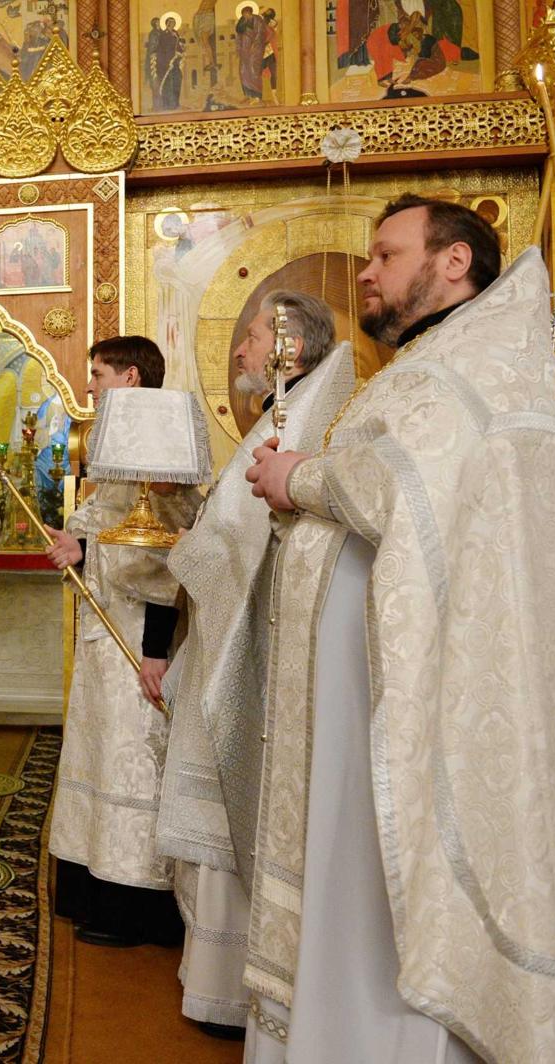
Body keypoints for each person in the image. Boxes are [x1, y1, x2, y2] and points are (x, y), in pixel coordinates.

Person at [243, 196, 555, 1062]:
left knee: (392, 870)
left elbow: (400, 485)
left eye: (386, 255)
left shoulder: (480, 357)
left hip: (417, 684)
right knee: (356, 869)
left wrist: (300, 478)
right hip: (372, 676)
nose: (366, 272)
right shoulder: (442, 355)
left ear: (454, 262)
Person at [155, 292, 356, 1031]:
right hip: (230, 637)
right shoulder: (285, 415)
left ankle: (237, 988)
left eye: (247, 339)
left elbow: (241, 531)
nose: (238, 353)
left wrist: (179, 555)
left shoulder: (298, 419)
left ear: (288, 350)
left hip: (256, 650)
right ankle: (217, 978)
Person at [42, 336, 201, 947]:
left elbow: (166, 553)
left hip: (139, 636)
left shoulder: (166, 446)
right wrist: (72, 540)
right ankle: (92, 887)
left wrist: (157, 651)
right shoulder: (116, 446)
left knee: (136, 759)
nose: (89, 387)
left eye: (98, 374)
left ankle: (137, 905)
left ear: (132, 377)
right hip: (105, 636)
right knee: (101, 750)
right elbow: (101, 519)